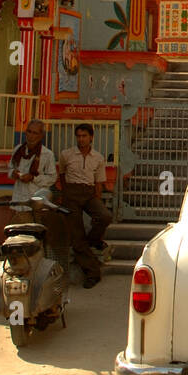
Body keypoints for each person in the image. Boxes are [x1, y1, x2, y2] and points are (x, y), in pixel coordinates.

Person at [55, 123, 113, 289]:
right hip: (71, 194)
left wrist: (97, 199)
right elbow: (62, 175)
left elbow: (99, 183)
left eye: (84, 136)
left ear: (91, 137)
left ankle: (93, 240)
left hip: (89, 193)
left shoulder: (98, 157)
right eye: (79, 136)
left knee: (105, 216)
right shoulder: (67, 154)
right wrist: (65, 195)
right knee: (77, 237)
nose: (81, 139)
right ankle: (92, 273)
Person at [8, 119, 57, 209]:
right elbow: (10, 169)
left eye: (35, 133)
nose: (31, 136)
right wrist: (14, 173)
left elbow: (52, 178)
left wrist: (33, 178)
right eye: (29, 132)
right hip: (18, 199)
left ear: (41, 135)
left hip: (37, 201)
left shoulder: (47, 154)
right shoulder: (18, 150)